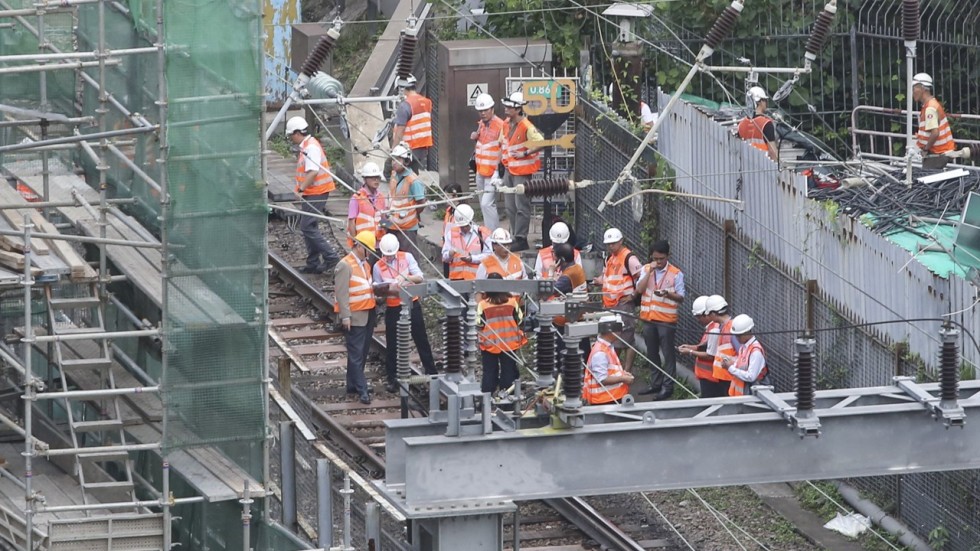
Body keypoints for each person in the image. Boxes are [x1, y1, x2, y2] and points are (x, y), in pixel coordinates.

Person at [374, 234, 437, 393]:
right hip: (393, 307)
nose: (389, 258)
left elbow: (420, 277)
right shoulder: (378, 266)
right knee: (393, 344)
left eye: (391, 255)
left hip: (412, 304)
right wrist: (387, 290)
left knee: (421, 339)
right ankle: (392, 378)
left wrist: (405, 277)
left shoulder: (407, 257)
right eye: (386, 255)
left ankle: (432, 373)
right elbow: (377, 290)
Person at [287, 116, 341, 274]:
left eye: (291, 135)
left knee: (307, 227)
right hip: (313, 192)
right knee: (310, 226)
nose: (291, 138)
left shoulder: (311, 148)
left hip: (317, 191)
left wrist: (301, 189)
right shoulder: (308, 145)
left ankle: (331, 257)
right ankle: (313, 262)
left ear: (297, 133)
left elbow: (313, 171)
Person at [334, 231, 380, 405]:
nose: (370, 253)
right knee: (356, 354)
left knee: (361, 351)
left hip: (367, 312)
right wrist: (345, 316)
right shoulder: (345, 265)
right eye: (368, 249)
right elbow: (341, 293)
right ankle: (362, 389)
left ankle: (352, 385)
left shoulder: (364, 264)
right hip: (355, 315)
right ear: (359, 246)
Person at [635, 240, 685, 400]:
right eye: (655, 258)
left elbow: (681, 297)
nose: (658, 261)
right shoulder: (646, 269)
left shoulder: (676, 273)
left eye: (661, 259)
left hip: (666, 321)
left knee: (668, 354)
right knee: (652, 352)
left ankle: (668, 386)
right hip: (648, 318)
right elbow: (639, 289)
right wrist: (649, 272)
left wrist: (668, 294)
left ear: (667, 256)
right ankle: (655, 383)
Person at [592, 228, 643, 373]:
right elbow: (608, 277)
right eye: (608, 244)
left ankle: (626, 371)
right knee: (614, 337)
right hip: (611, 304)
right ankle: (616, 368)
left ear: (620, 242)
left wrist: (633, 295)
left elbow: (642, 276)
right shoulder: (610, 258)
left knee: (626, 339)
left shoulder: (628, 258)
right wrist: (599, 281)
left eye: (613, 243)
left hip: (623, 303)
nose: (610, 246)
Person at [500, 92, 543, 251]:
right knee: (510, 206)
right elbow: (503, 144)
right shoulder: (506, 124)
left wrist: (525, 153)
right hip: (509, 170)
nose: (506, 109)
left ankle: (521, 238)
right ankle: (516, 236)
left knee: (521, 206)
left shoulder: (526, 126)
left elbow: (541, 143)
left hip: (522, 172)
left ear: (518, 109)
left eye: (509, 107)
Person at [477, 273, 527, 394]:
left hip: (490, 344)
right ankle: (508, 398)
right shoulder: (511, 302)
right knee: (508, 371)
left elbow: (479, 324)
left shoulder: (482, 305)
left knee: (489, 371)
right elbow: (519, 319)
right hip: (510, 343)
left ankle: (487, 397)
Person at [678, 296, 727, 398]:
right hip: (709, 377)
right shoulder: (712, 327)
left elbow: (710, 355)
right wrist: (693, 347)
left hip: (711, 378)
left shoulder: (714, 330)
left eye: (699, 316)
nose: (698, 320)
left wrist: (690, 351)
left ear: (707, 314)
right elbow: (706, 346)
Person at [584, 314, 635, 405]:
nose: (620, 332)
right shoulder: (600, 353)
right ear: (611, 331)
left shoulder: (606, 347)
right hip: (605, 401)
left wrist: (623, 374)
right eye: (619, 329)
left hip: (610, 398)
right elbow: (602, 379)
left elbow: (610, 370)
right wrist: (623, 378)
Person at [470, 93, 504, 230]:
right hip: (481, 171)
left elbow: (502, 148)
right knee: (484, 204)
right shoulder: (482, 125)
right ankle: (488, 231)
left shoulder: (500, 125)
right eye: (480, 111)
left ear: (492, 109)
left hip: (492, 173)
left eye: (485, 110)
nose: (483, 113)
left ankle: (492, 234)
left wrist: (498, 171)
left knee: (487, 204)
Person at [387, 142, 426, 254]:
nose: (394, 162)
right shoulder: (394, 175)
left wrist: (411, 214)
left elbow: (421, 203)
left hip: (407, 227)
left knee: (409, 257)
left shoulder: (413, 181)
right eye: (393, 159)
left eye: (398, 159)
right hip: (392, 224)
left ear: (407, 161)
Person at [721, 314, 769, 396]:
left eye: (739, 335)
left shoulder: (755, 351)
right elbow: (741, 366)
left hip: (753, 397)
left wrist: (730, 368)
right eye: (736, 335)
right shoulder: (743, 347)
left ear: (747, 332)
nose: (737, 338)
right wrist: (731, 364)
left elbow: (751, 376)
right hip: (743, 395)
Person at [391, 74, 433, 168]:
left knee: (391, 169)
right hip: (422, 146)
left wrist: (394, 149)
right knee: (413, 170)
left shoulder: (405, 105)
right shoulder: (427, 102)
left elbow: (400, 130)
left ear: (402, 89)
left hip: (409, 147)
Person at [442, 204, 491, 280]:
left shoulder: (483, 234)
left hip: (477, 279)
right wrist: (450, 254)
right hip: (456, 280)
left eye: (466, 225)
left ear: (471, 220)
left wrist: (472, 259)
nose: (464, 228)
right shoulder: (451, 234)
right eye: (462, 226)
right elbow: (444, 257)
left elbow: (489, 256)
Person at [912, 72, 955, 157]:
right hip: (940, 152)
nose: (913, 92)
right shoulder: (931, 104)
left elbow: (935, 133)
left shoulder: (930, 108)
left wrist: (925, 149)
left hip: (937, 153)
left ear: (923, 89)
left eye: (914, 88)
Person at [347, 161, 388, 249]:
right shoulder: (357, 198)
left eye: (377, 177)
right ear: (365, 179)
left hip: (378, 244)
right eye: (372, 178)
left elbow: (383, 219)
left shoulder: (381, 197)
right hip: (363, 244)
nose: (376, 180)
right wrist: (355, 242)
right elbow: (351, 222)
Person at [737, 86, 778, 162]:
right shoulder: (766, 124)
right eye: (765, 100)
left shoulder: (741, 124)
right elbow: (772, 152)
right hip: (763, 164)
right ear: (759, 101)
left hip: (746, 164)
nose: (766, 103)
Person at [706, 294, 737, 393]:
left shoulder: (731, 328)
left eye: (709, 314)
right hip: (725, 375)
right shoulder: (723, 327)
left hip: (730, 376)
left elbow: (741, 352)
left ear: (714, 314)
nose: (708, 317)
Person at [441, 183, 464, 278]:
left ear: (455, 195)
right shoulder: (449, 210)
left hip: (457, 248)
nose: (445, 199)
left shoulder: (463, 211)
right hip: (447, 246)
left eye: (447, 196)